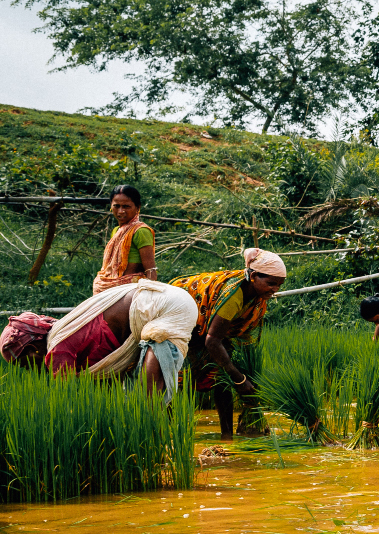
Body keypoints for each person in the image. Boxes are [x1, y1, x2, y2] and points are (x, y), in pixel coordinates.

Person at [171, 248, 286, 440]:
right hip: (181, 318)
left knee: (222, 376)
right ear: (254, 276)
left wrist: (244, 374)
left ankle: (227, 437)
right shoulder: (233, 296)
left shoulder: (258, 296)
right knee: (181, 380)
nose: (275, 290)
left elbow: (241, 338)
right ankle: (172, 434)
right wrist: (240, 379)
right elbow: (212, 340)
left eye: (279, 285)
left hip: (208, 331)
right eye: (271, 283)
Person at [41, 281, 198, 400]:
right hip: (170, 298)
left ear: (33, 347)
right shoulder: (70, 332)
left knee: (148, 393)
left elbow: (66, 397)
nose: (23, 366)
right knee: (148, 392)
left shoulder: (58, 348)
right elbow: (107, 385)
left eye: (21, 360)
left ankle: (152, 437)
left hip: (165, 307)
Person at [92, 185, 156, 294]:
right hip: (108, 286)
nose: (121, 211)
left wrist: (149, 295)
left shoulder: (141, 231)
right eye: (116, 206)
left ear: (137, 207)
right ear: (111, 206)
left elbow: (150, 270)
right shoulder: (117, 230)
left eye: (126, 206)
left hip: (130, 289)